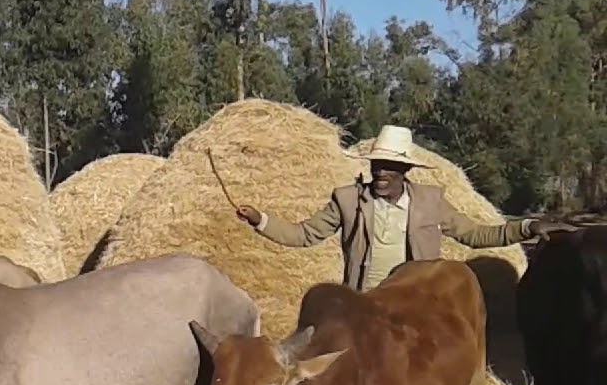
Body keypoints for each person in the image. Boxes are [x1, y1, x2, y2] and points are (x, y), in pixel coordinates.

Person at [234, 124, 577, 292]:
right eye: (377, 164)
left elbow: (476, 234)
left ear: (405, 170)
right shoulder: (348, 199)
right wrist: (260, 220)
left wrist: (528, 227)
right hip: (365, 300)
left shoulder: (430, 202)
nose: (381, 171)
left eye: (390, 166)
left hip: (418, 300)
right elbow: (303, 234)